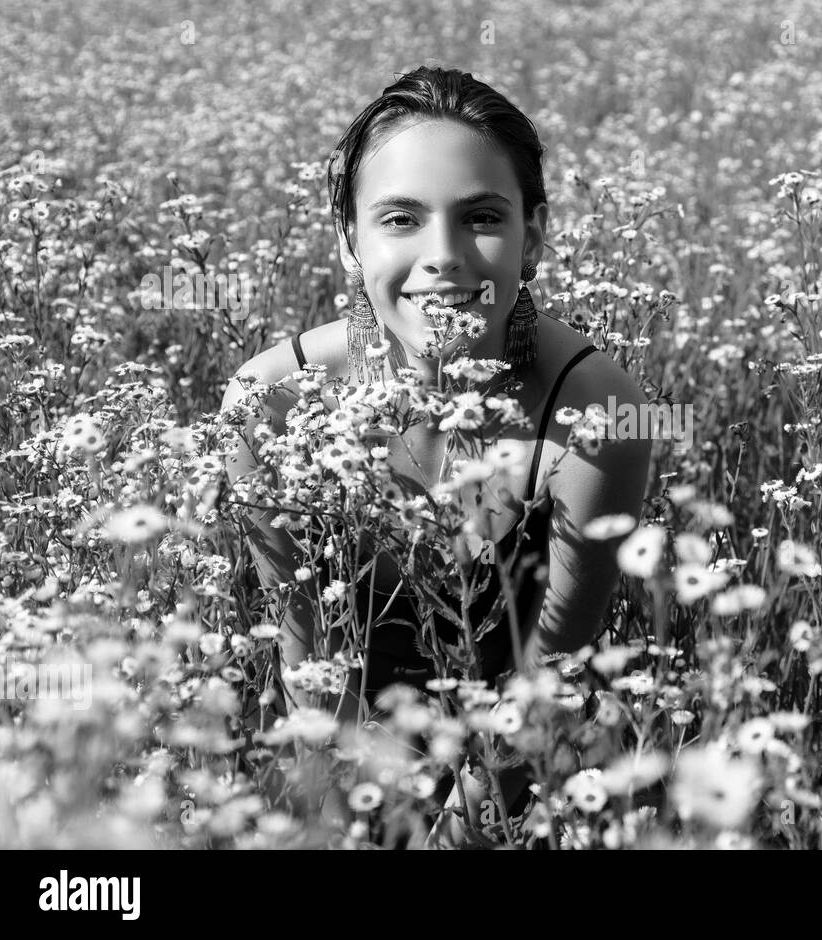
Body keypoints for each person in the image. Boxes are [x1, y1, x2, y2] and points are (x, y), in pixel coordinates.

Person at [219, 65, 652, 844]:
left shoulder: (594, 414)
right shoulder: (270, 401)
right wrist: (353, 817)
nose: (443, 255)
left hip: (522, 775)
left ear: (536, 235)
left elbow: (551, 678)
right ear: (349, 241)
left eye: (482, 216)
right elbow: (303, 654)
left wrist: (450, 839)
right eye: (399, 219)